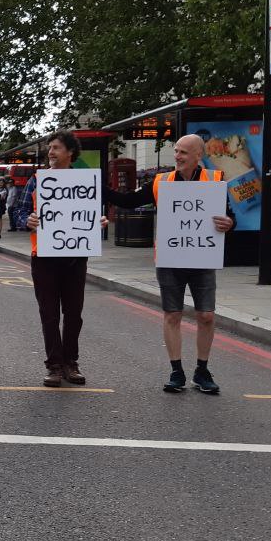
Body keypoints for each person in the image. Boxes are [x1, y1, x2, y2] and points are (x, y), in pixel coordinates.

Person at [105, 134, 234, 393]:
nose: (177, 156)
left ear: (199, 155)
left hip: (202, 257)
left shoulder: (215, 180)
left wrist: (230, 224)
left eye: (184, 152)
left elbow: (227, 216)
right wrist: (96, 185)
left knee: (206, 315)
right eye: (176, 151)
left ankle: (202, 370)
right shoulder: (160, 182)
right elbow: (128, 201)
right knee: (172, 314)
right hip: (170, 258)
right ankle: (176, 371)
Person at [24, 131, 107, 387]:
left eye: (56, 147)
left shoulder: (85, 181)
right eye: (49, 147)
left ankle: (71, 362)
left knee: (73, 314)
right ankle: (54, 365)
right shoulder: (37, 180)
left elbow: (93, 216)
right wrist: (27, 220)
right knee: (49, 314)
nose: (51, 152)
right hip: (44, 257)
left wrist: (100, 222)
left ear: (70, 152)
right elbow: (19, 211)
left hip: (74, 257)